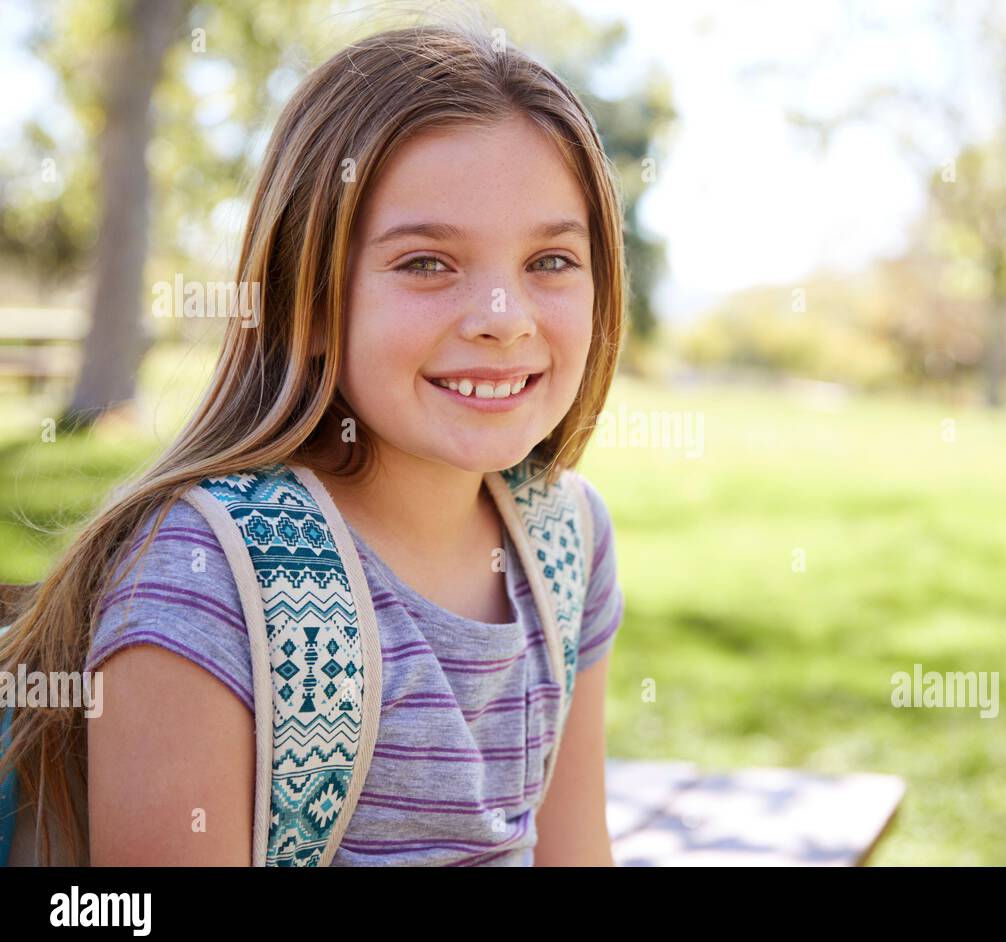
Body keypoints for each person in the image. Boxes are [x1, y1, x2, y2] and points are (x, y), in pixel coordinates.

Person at [0, 22, 627, 866]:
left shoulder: (566, 541)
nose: (503, 319)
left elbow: (576, 853)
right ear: (312, 301)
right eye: (427, 264)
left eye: (551, 260)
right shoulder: (207, 577)